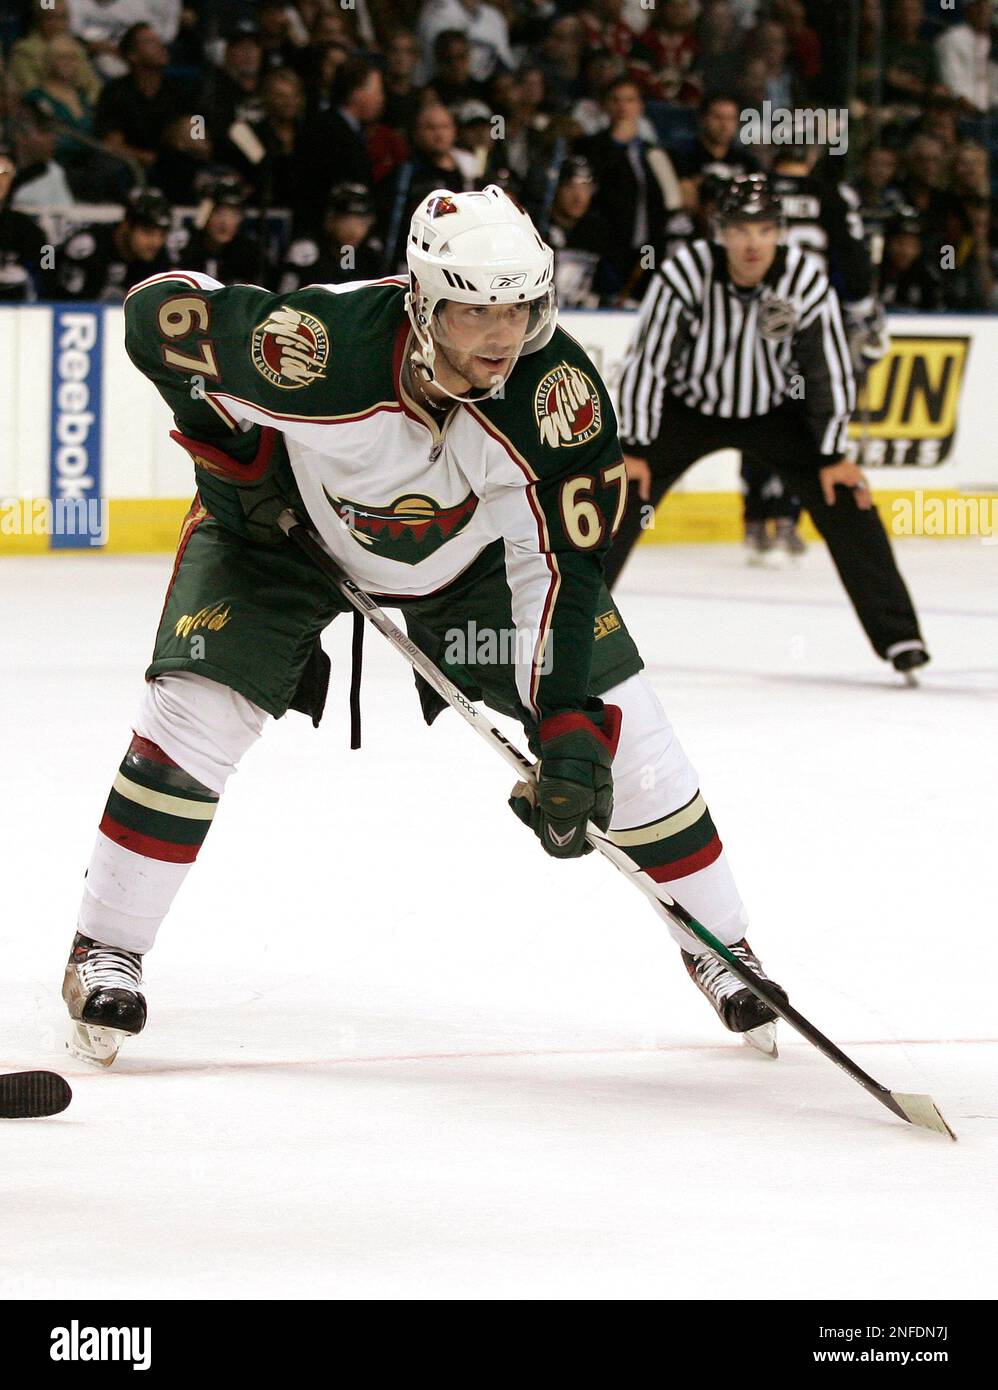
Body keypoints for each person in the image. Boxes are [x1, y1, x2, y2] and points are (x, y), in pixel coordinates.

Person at [62, 183, 788, 1067]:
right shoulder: (320, 349)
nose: (502, 334)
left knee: (629, 743)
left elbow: (559, 566)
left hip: (469, 571)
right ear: (423, 300)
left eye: (519, 306)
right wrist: (234, 456)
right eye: (475, 311)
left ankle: (723, 946)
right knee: (195, 713)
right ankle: (107, 950)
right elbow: (155, 317)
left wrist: (566, 722)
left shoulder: (557, 395)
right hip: (281, 539)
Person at [608, 174, 930, 677]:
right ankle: (571, 629)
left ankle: (901, 637)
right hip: (687, 408)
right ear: (720, 232)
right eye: (740, 229)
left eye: (763, 229)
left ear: (780, 232)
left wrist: (831, 455)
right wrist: (635, 446)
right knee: (617, 494)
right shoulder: (685, 274)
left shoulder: (804, 280)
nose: (752, 242)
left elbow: (827, 368)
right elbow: (647, 361)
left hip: (775, 409)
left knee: (847, 497)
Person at [52, 185, 172, 301]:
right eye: (148, 232)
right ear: (126, 226)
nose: (156, 242)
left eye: (162, 234)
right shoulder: (89, 249)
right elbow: (67, 306)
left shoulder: (158, 254)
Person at [278, 180, 384, 290]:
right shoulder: (307, 253)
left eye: (361, 222)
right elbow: (285, 298)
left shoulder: (370, 255)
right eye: (346, 221)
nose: (353, 230)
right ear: (330, 220)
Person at [0, 147, 49, 302]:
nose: (0, 179)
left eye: (5, 173)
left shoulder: (24, 226)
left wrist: (32, 273)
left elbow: (48, 263)